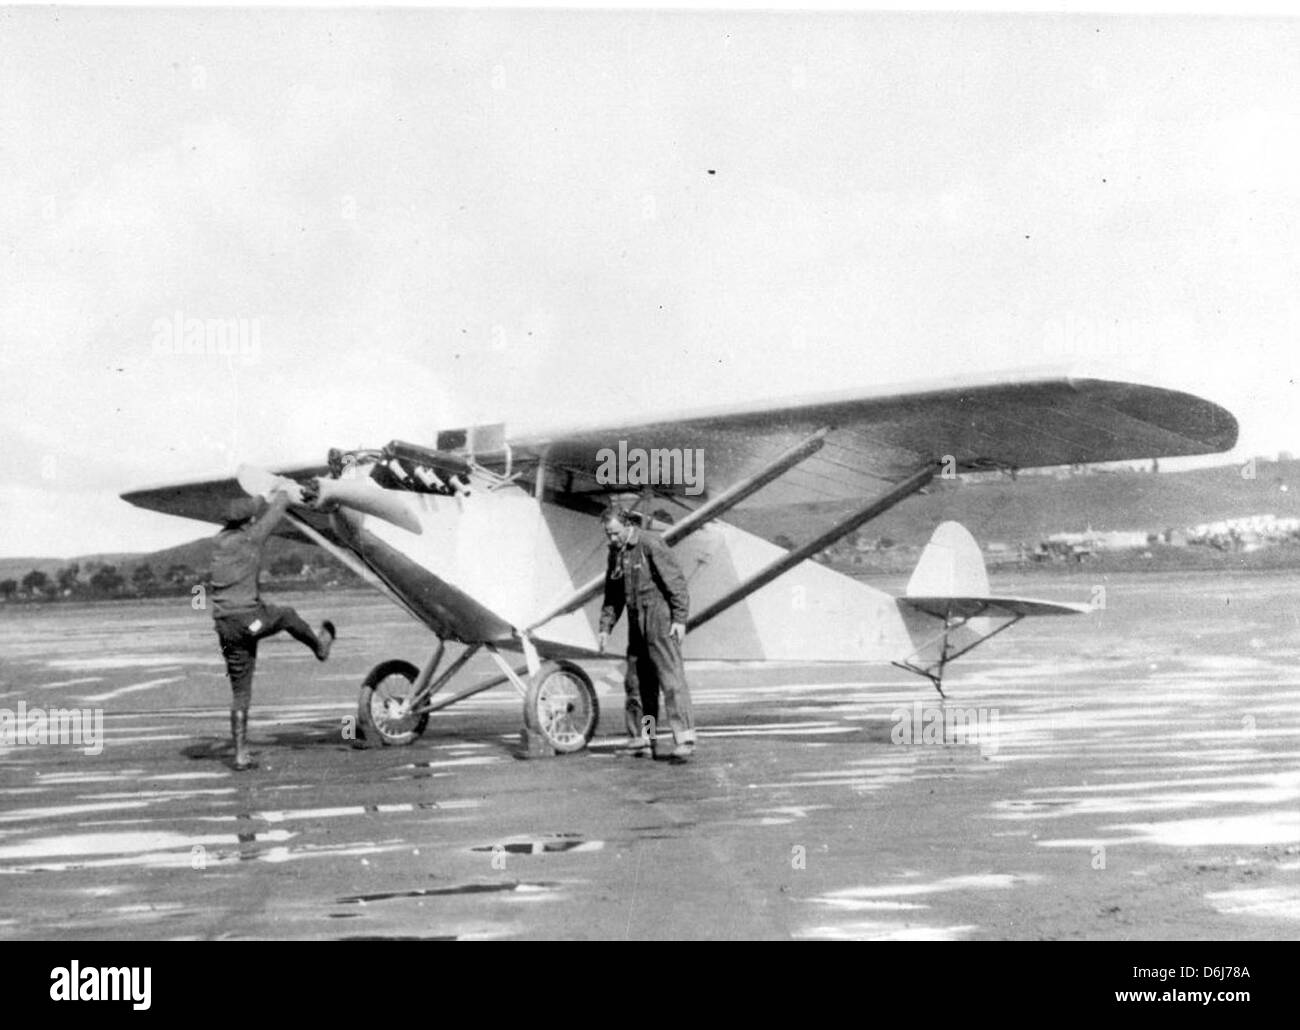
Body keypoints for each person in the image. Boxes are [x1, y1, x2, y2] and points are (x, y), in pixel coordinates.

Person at [210, 488, 336, 770]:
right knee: (287, 615)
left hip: (224, 625)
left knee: (240, 692)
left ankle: (240, 754)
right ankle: (320, 648)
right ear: (245, 522)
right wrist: (281, 490)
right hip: (248, 620)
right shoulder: (250, 538)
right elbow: (278, 508)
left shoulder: (218, 542)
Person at [597, 506, 696, 761]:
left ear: (628, 525)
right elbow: (613, 594)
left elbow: (676, 583)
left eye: (615, 533)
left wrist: (680, 619)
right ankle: (643, 739)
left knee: (671, 681)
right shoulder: (615, 553)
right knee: (637, 686)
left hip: (659, 619)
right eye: (608, 534)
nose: (612, 539)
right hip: (635, 622)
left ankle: (684, 738)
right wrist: (605, 628)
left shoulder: (651, 543)